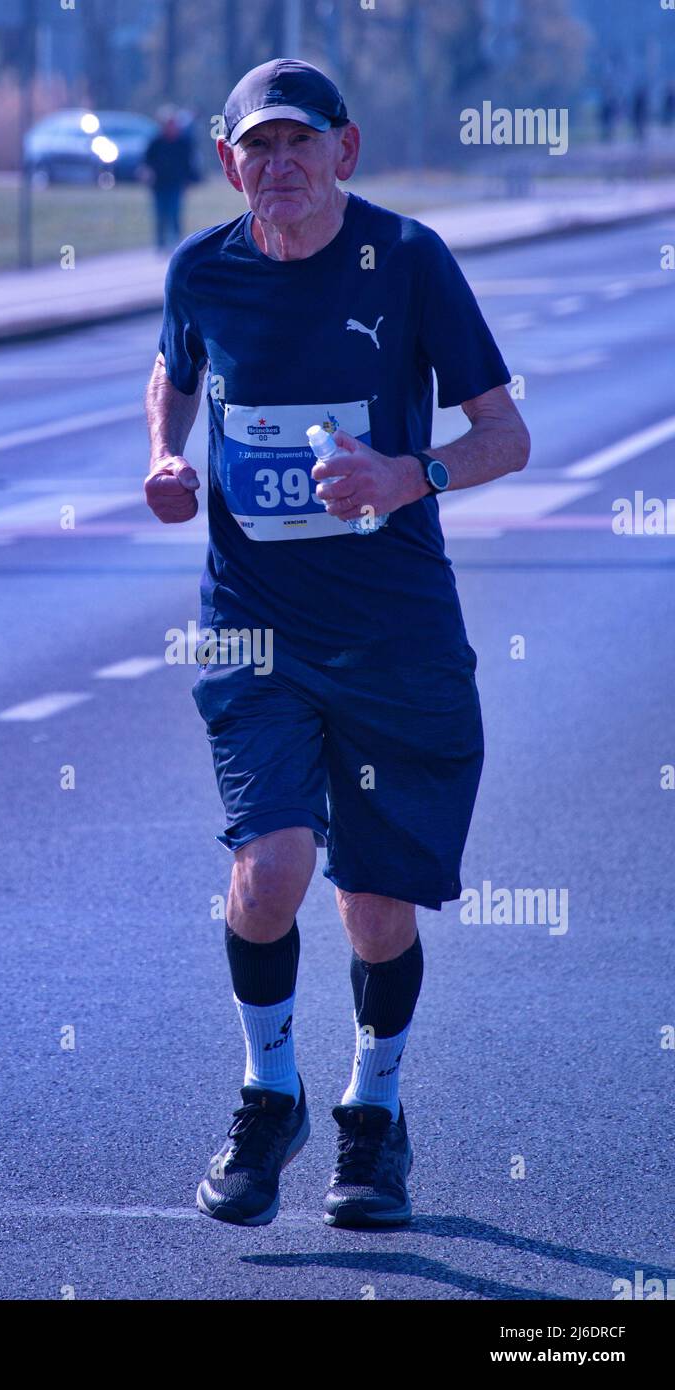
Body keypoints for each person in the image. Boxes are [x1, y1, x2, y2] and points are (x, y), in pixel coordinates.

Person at [144, 58, 530, 1229]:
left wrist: (409, 474)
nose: (279, 167)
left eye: (299, 144)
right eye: (255, 148)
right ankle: (270, 1090)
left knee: (373, 906)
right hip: (251, 628)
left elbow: (506, 435)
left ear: (343, 153)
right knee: (268, 874)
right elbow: (176, 364)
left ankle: (374, 1112)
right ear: (228, 165)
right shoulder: (202, 267)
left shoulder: (408, 261)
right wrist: (164, 454)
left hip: (393, 636)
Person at [141, 105, 200, 251]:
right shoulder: (156, 142)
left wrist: (189, 179)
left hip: (176, 183)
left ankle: (176, 242)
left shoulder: (182, 143)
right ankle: (161, 243)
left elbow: (188, 163)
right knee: (160, 213)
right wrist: (146, 173)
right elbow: (147, 161)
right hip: (159, 184)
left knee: (175, 212)